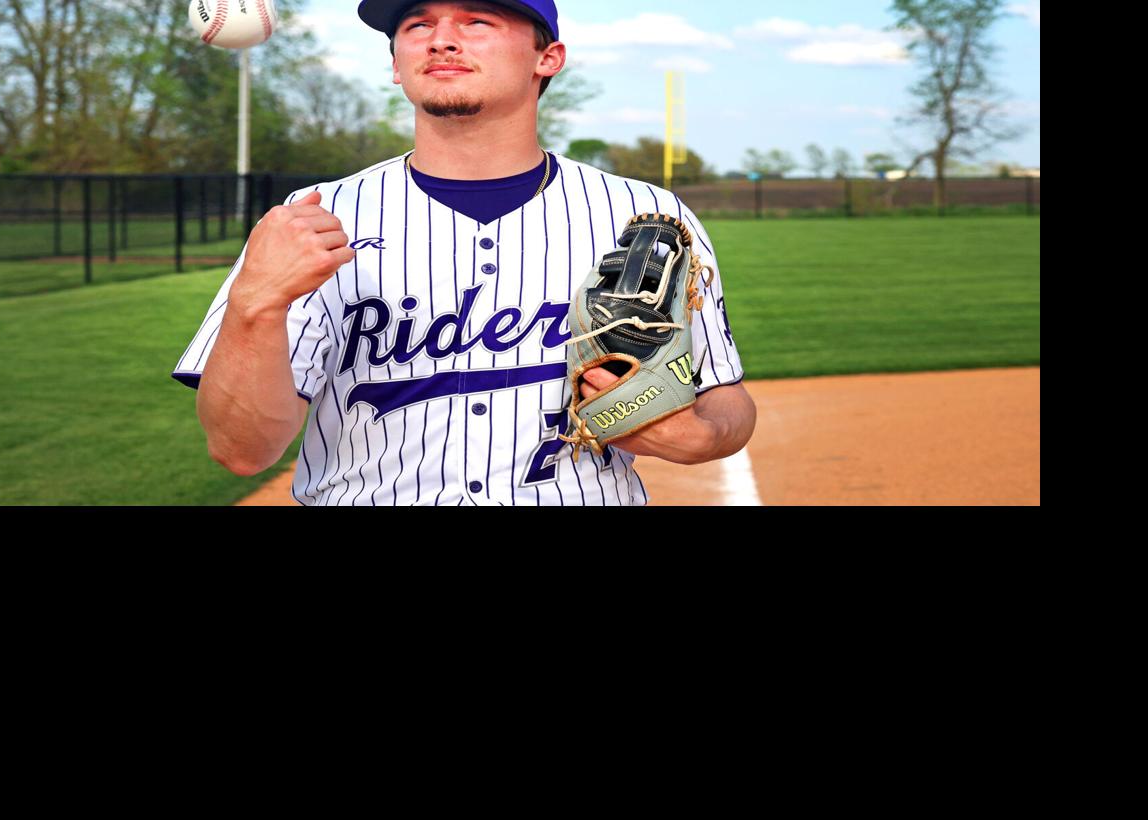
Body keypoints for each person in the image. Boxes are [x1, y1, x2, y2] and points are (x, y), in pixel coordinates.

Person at [171, 0, 754, 505]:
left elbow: (727, 398)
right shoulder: (314, 217)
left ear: (546, 57)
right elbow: (242, 451)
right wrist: (255, 303)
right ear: (396, 64)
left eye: (478, 20)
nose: (442, 38)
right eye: (418, 25)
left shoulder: (646, 215)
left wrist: (700, 437)